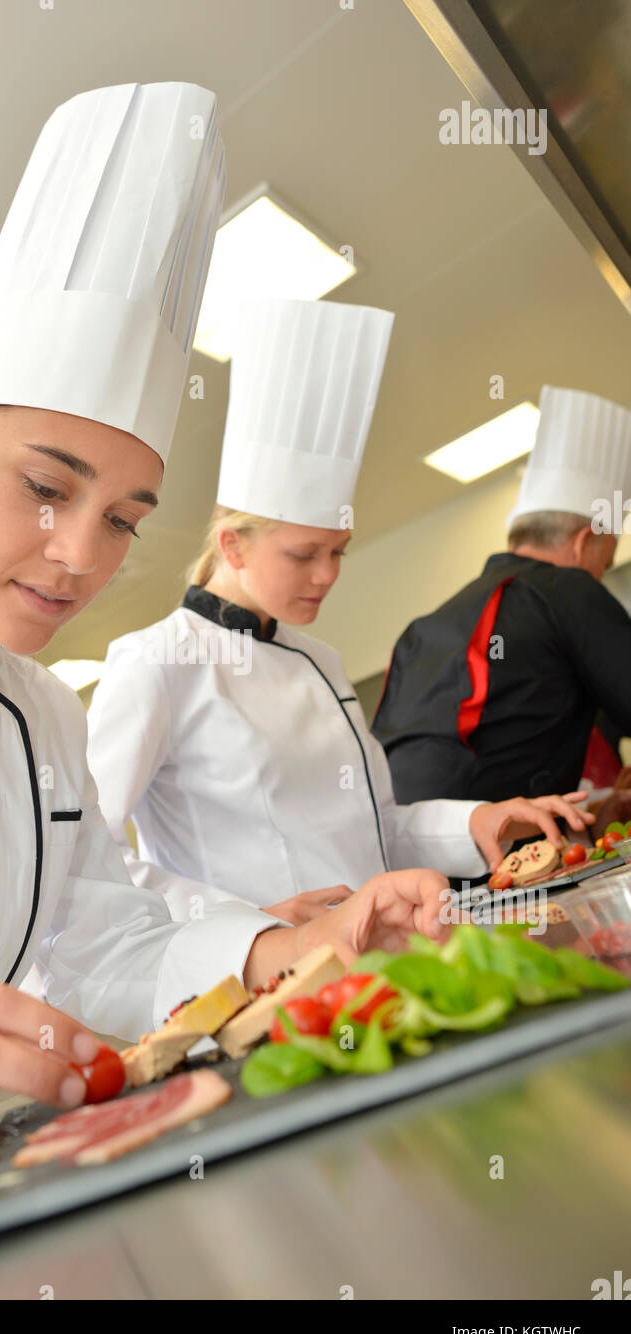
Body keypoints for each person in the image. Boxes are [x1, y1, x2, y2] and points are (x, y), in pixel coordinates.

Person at [0, 83, 453, 1195]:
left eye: (126, 519)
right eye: (45, 486)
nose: (82, 555)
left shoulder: (42, 708)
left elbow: (101, 941)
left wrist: (289, 952)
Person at [86, 301, 591, 921]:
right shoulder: (155, 660)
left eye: (338, 552)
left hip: (380, 952)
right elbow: (90, 854)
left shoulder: (318, 661)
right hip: (258, 978)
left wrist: (480, 819)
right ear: (231, 544)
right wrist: (240, 919)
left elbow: (377, 829)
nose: (327, 575)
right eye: (304, 554)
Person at [371, 386, 631, 812]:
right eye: (608, 557)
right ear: (585, 542)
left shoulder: (425, 626)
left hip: (415, 854)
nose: (602, 573)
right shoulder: (566, 587)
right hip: (508, 855)